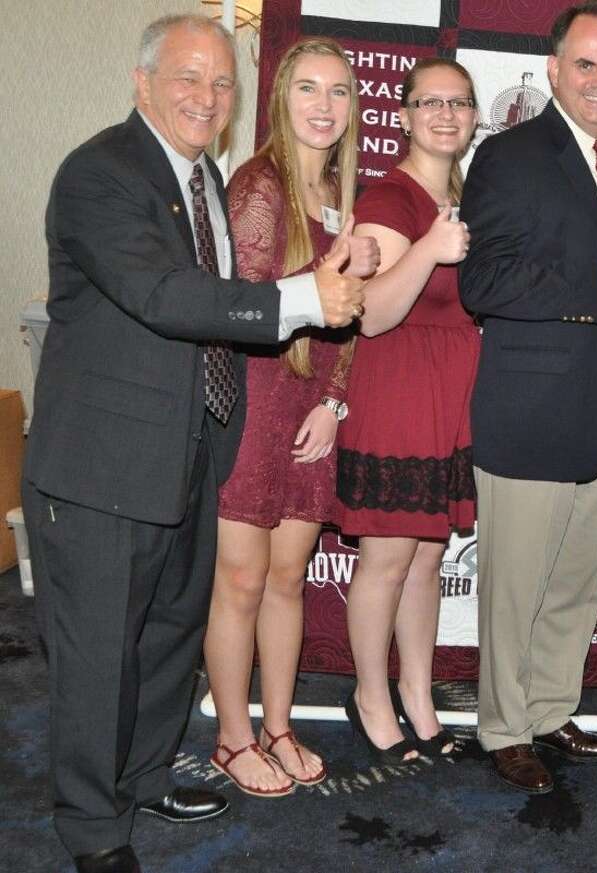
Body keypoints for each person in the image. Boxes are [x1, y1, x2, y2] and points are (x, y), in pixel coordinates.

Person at [21, 14, 364, 873]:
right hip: (100, 468)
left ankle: (142, 779)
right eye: (186, 77)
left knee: (170, 636)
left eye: (220, 83)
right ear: (142, 82)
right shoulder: (99, 172)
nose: (205, 97)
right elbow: (164, 295)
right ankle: (94, 828)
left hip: (188, 455)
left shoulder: (206, 176)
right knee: (99, 655)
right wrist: (303, 299)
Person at [459, 0, 597, 794]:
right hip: (532, 408)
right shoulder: (511, 154)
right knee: (516, 586)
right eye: (585, 64)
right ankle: (505, 727)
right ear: (553, 69)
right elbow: (483, 281)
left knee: (577, 579)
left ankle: (548, 708)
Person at [203, 36, 373, 798]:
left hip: (311, 408)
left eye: (338, 91)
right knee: (241, 580)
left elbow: (350, 312)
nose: (324, 105)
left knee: (285, 579)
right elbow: (244, 305)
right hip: (253, 400)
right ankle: (232, 738)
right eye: (309, 88)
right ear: (280, 97)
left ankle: (277, 727)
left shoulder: (342, 191)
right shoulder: (260, 184)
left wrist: (335, 402)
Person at [335, 57, 478, 765]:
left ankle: (419, 698)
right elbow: (372, 313)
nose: (446, 115)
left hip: (446, 395)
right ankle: (369, 697)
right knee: (388, 560)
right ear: (403, 116)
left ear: (475, 117)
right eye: (430, 102)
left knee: (426, 557)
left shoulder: (461, 193)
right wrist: (428, 249)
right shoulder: (392, 198)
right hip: (397, 391)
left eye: (459, 103)